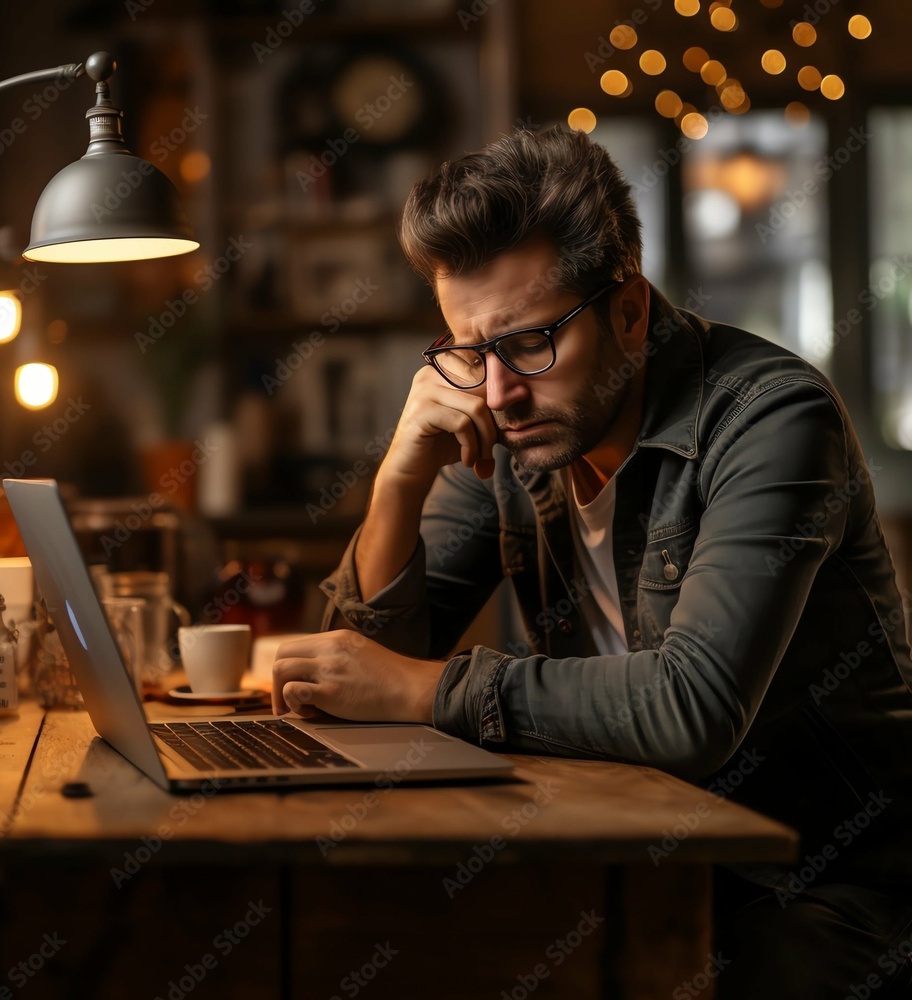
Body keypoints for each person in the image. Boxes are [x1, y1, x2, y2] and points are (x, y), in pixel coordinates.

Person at [271, 125, 912, 996]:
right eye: (471, 351)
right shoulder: (510, 432)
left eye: (530, 343)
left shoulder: (774, 420)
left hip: (817, 887)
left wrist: (425, 688)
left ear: (630, 311)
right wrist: (398, 477)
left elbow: (693, 707)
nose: (499, 392)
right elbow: (346, 680)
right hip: (635, 847)